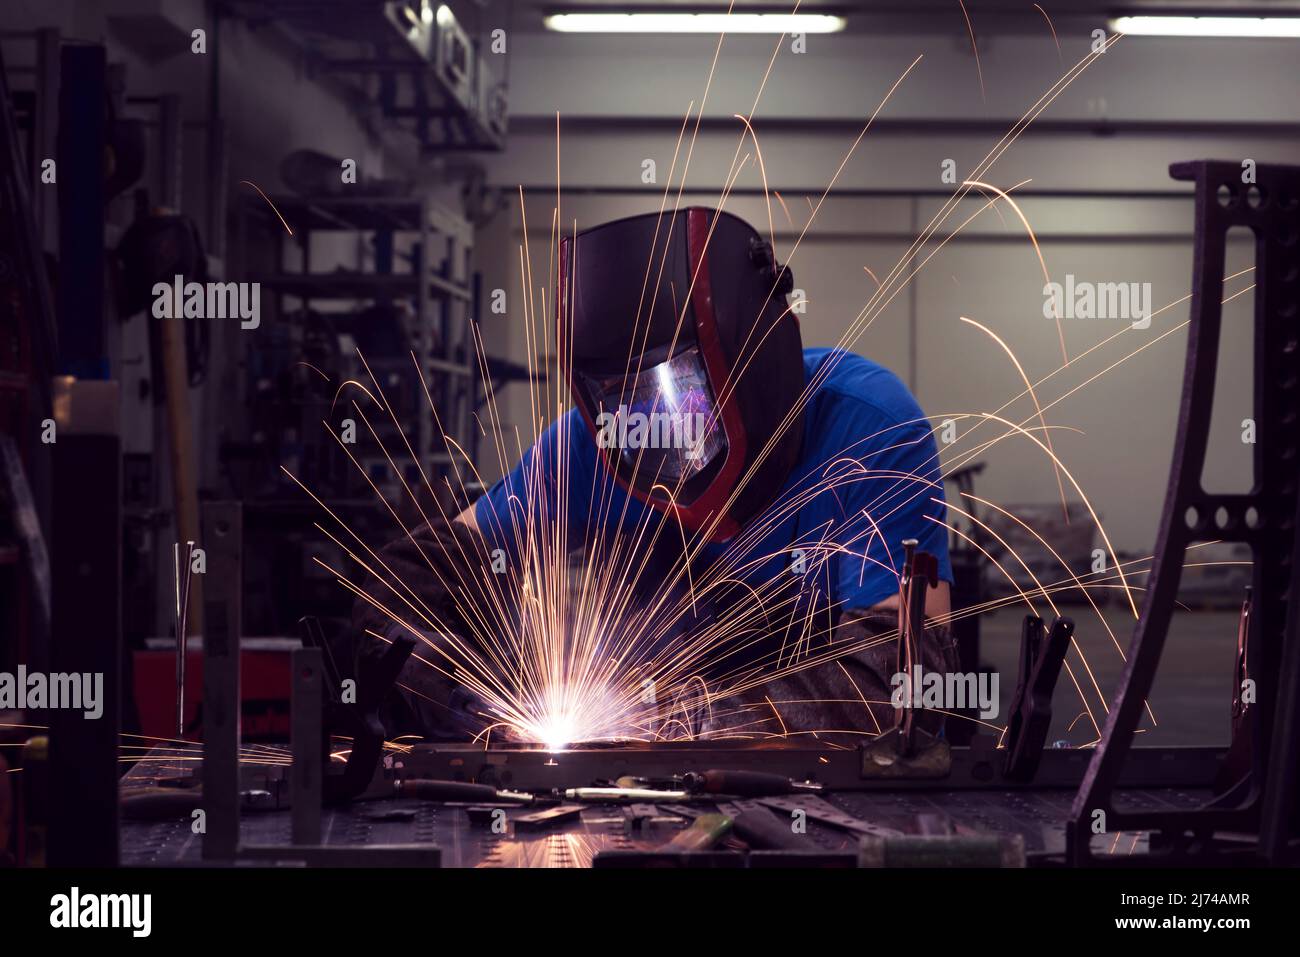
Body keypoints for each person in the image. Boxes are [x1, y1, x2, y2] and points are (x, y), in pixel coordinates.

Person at [353, 207, 957, 743]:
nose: (660, 429)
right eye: (628, 399)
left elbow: (904, 684)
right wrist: (445, 693)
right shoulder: (590, 446)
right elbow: (422, 578)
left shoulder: (868, 429)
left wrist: (673, 721)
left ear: (758, 367)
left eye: (684, 396)